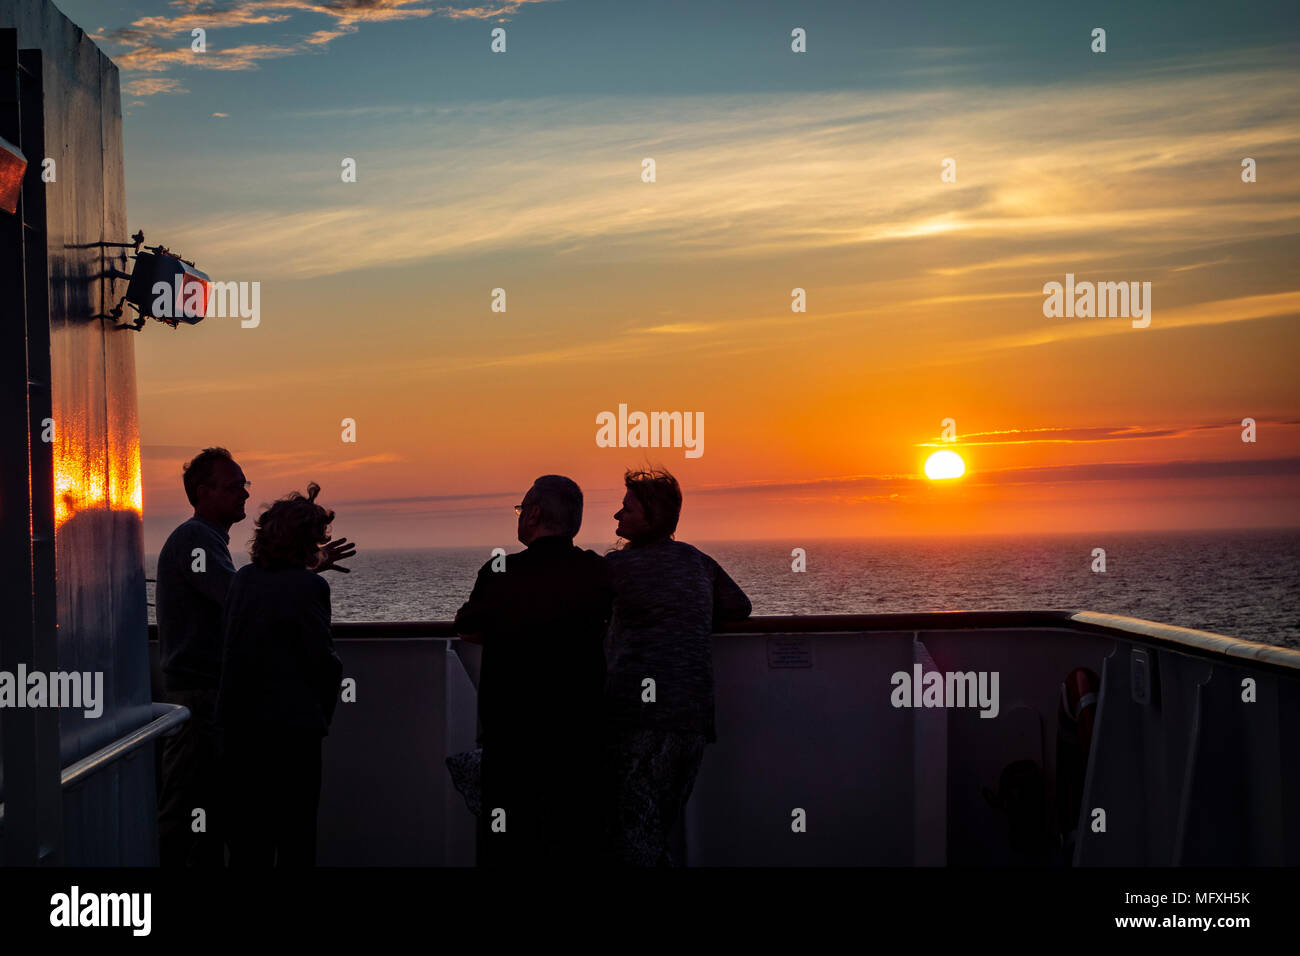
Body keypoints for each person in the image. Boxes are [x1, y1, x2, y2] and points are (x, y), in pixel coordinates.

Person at [155, 447, 353, 867]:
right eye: (233, 486)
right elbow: (241, 599)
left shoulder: (212, 545)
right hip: (200, 699)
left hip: (215, 702)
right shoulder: (195, 540)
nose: (244, 494)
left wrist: (303, 566)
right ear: (201, 492)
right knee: (191, 812)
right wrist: (307, 569)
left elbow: (251, 594)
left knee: (219, 821)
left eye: (245, 486)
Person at [454, 475, 614, 867]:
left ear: (535, 513)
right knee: (576, 844)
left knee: (509, 845)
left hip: (512, 736)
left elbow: (469, 629)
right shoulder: (597, 571)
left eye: (521, 507)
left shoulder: (499, 571)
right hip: (581, 736)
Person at [603, 467, 751, 866]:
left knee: (630, 838)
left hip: (636, 718)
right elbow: (740, 607)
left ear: (652, 518)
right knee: (655, 828)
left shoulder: (616, 569)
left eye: (627, 509)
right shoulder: (696, 561)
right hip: (691, 717)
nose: (617, 517)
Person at [218, 482, 345, 867]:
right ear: (305, 541)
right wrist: (320, 715)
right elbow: (321, 659)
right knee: (295, 837)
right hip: (292, 733)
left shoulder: (243, 580)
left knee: (247, 842)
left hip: (239, 730)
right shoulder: (309, 586)